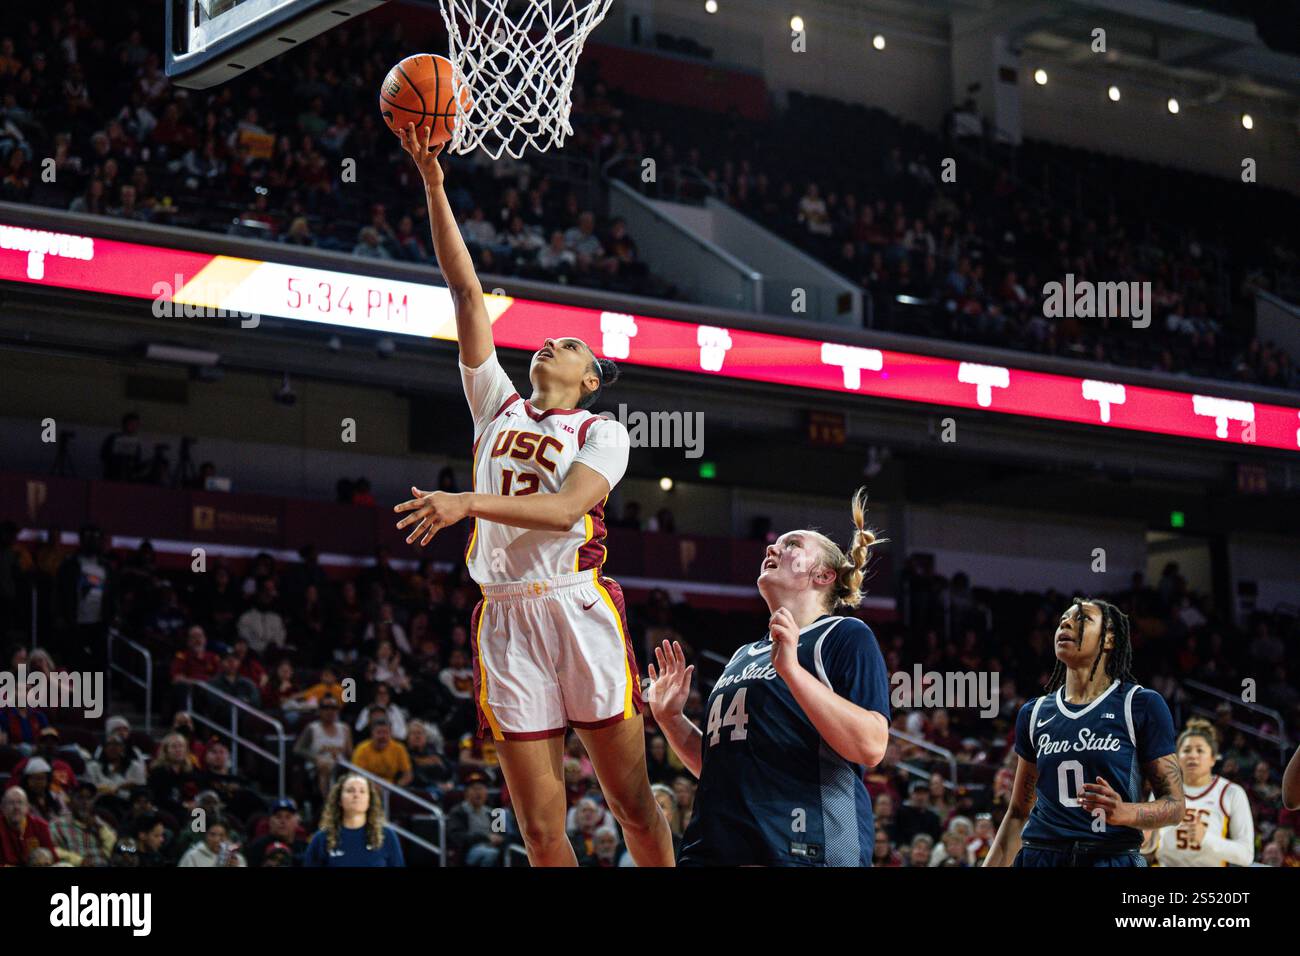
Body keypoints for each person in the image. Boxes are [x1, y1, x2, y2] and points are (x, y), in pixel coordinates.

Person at [391, 123, 671, 868]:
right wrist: (435, 184)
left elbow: (560, 510)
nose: (551, 343)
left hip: (575, 604)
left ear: (588, 379)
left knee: (632, 805)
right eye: (547, 340)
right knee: (542, 831)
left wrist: (465, 503)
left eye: (571, 346)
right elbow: (464, 289)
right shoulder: (496, 405)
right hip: (506, 615)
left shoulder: (602, 430)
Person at [648, 488, 891, 866]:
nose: (772, 550)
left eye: (791, 545)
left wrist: (792, 672)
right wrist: (671, 720)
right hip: (715, 847)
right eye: (773, 545)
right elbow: (726, 767)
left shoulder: (844, 635)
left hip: (804, 846)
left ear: (823, 574)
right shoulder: (744, 654)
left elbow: (872, 745)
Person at [983, 599, 1184, 867]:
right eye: (1063, 619)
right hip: (1041, 854)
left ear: (1110, 639)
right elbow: (1019, 812)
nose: (1065, 623)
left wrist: (1125, 812)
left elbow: (1175, 805)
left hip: (1109, 855)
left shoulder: (1140, 704)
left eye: (1082, 619)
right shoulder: (1034, 713)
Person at [1147, 718, 1254, 866]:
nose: (1193, 755)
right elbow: (1149, 846)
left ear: (1213, 759)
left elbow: (1246, 855)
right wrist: (1144, 840)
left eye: (1200, 750)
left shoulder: (1231, 792)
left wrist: (1205, 838)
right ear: (1177, 758)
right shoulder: (1162, 789)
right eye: (1186, 750)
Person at [303, 773, 404, 867]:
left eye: (362, 791)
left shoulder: (386, 836)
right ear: (339, 800)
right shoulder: (321, 838)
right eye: (350, 791)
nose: (356, 795)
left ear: (369, 801)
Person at [50, 781, 116, 867]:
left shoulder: (100, 824)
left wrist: (100, 828)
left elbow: (112, 849)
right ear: (71, 800)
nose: (85, 803)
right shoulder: (58, 824)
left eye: (89, 798)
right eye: (80, 798)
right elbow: (53, 850)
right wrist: (79, 861)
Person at [350, 712, 412, 786]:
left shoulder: (399, 748)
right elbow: (355, 774)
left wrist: (397, 786)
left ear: (391, 733)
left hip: (392, 788)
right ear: (372, 733)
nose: (383, 736)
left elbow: (407, 774)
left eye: (386, 733)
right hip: (367, 787)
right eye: (379, 733)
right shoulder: (362, 749)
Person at [1, 785, 56, 865]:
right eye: (11, 803)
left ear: (27, 807)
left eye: (20, 802)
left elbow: (53, 858)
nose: (16, 807)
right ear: (2, 807)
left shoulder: (41, 826)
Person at [178, 817, 246, 867]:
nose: (217, 839)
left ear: (227, 837)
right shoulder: (192, 856)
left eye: (222, 835)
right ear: (205, 835)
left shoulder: (236, 859)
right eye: (212, 834)